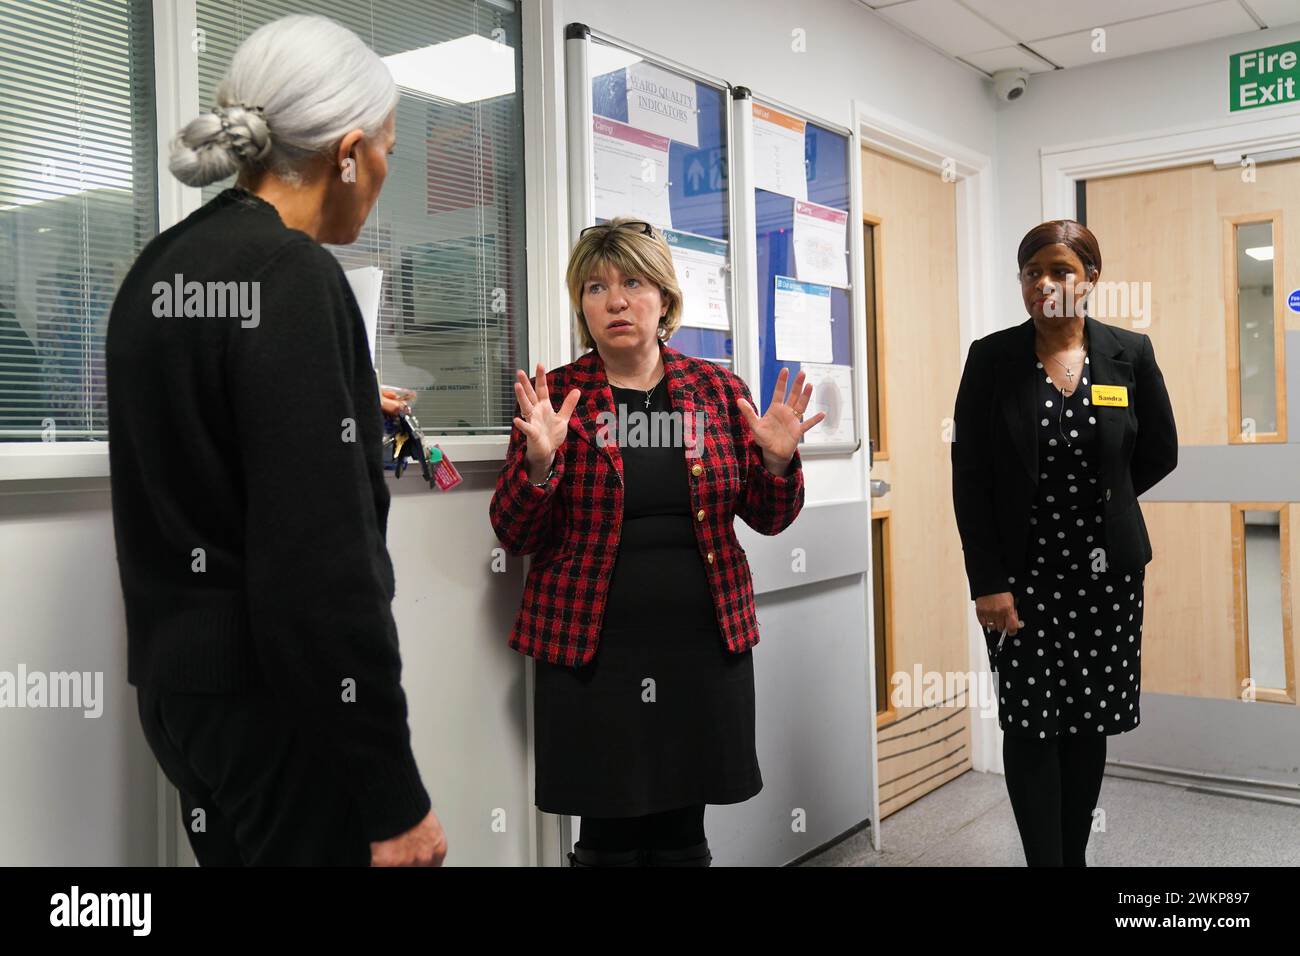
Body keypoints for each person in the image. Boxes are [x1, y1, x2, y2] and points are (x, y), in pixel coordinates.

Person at [106, 14, 444, 866]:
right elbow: (321, 562)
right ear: (348, 152)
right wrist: (393, 794)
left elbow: (204, 457)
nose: (382, 176)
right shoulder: (293, 275)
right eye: (389, 154)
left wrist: (341, 415)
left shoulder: (162, 265)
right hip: (283, 709)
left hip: (184, 703)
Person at [489, 218, 824, 866]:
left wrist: (779, 465)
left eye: (632, 282)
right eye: (595, 287)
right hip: (591, 650)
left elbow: (767, 515)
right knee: (608, 829)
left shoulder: (718, 390)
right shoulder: (557, 394)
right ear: (580, 305)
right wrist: (537, 467)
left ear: (665, 298)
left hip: (699, 644)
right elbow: (514, 532)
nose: (614, 301)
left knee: (681, 826)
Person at [951, 219, 1178, 866]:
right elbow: (970, 479)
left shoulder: (1129, 353)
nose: (1045, 284)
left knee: (1088, 720)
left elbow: (1160, 450)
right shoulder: (991, 360)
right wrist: (987, 581)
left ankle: (1072, 858)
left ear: (1092, 279)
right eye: (1032, 272)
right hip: (1021, 584)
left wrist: (1104, 501)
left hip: (1107, 581)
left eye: (1061, 271)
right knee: (1029, 725)